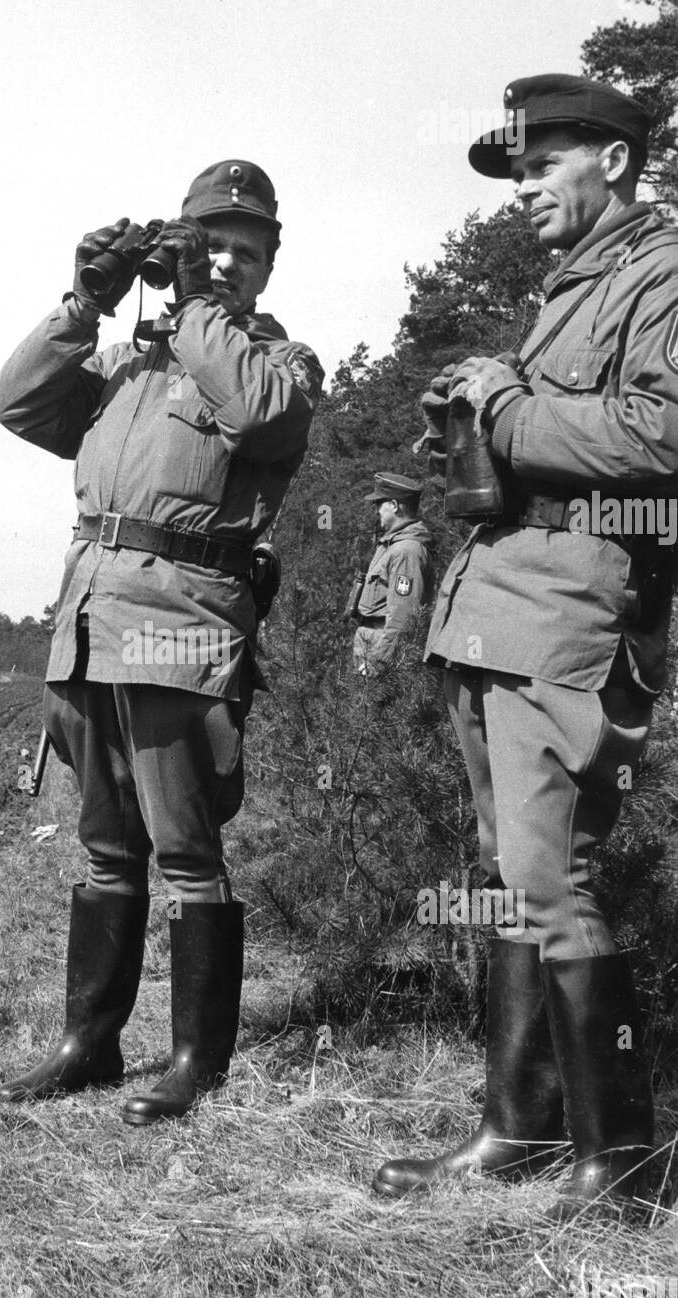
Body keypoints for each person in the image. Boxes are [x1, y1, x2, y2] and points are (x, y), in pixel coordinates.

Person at [373, 74, 678, 1220]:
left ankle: (620, 1160)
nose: (524, 188)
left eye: (542, 161)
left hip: (571, 611)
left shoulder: (658, 270)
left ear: (611, 157)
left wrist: (501, 404)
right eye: (517, 170)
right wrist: (473, 419)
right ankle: (516, 1128)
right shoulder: (575, 286)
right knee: (513, 877)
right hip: (502, 602)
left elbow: (659, 437)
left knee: (554, 878)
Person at [0, 161, 322, 1125]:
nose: (224, 261)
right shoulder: (127, 370)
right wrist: (82, 303)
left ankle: (192, 1062)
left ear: (265, 271)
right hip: (90, 621)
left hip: (183, 628)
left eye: (243, 253)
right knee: (102, 847)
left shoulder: (277, 362)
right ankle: (87, 1045)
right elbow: (20, 405)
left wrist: (190, 307)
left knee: (185, 846)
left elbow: (261, 417)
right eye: (206, 242)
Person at [352, 472, 433, 676]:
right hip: (373, 646)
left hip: (384, 658)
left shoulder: (406, 551)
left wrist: (378, 663)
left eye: (380, 504)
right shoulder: (392, 546)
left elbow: (403, 616)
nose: (377, 510)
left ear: (395, 506)